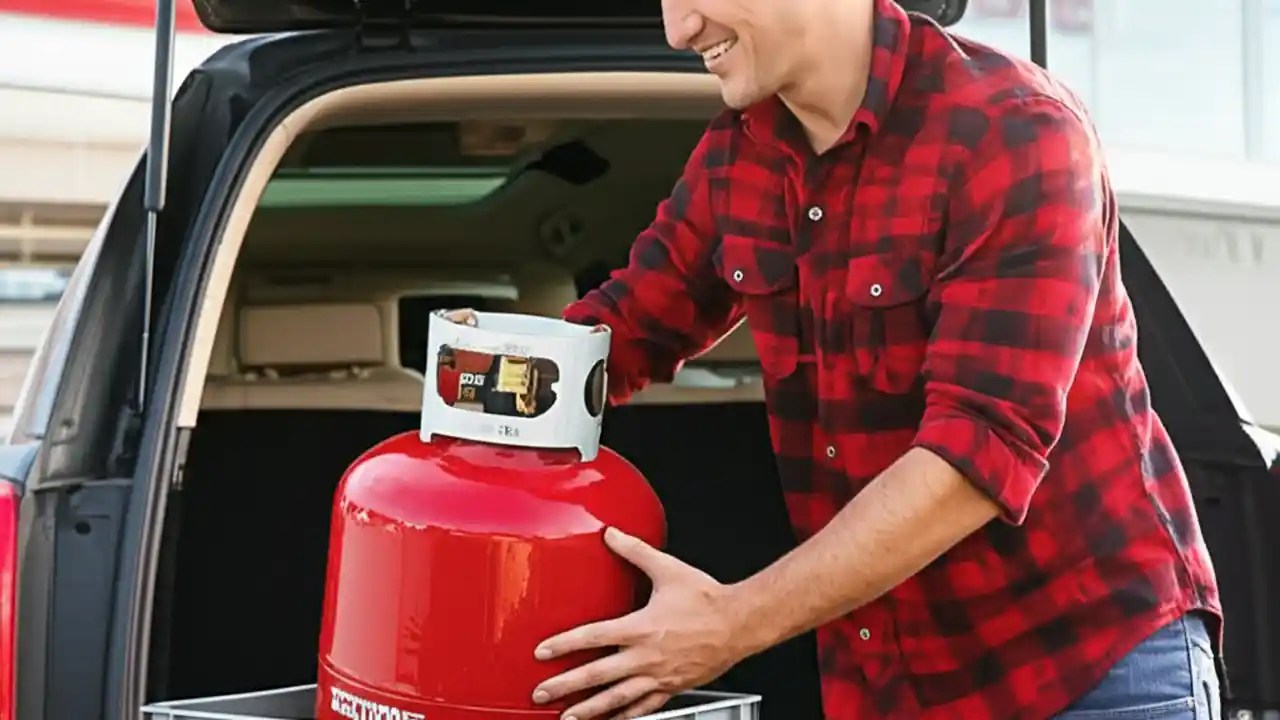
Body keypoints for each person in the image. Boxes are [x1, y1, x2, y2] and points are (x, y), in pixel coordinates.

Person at [449, 0, 1223, 717]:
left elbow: (979, 452)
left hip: (1092, 671)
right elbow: (619, 336)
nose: (678, 29)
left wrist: (730, 623)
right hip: (894, 688)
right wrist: (471, 372)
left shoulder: (1014, 131)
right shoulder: (736, 156)